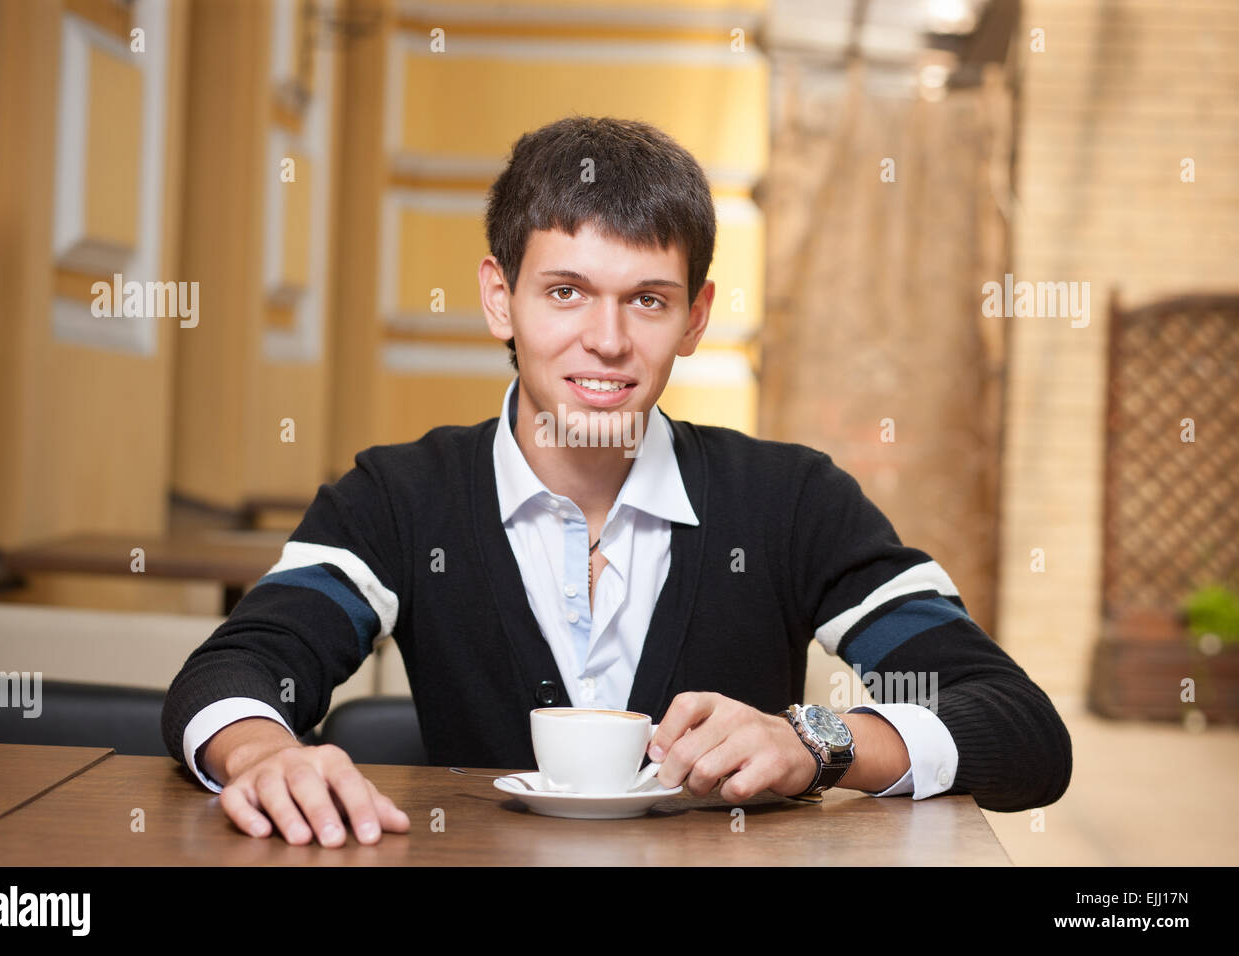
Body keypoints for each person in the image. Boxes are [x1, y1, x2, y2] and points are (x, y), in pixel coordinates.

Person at [161, 115, 1072, 847]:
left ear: (695, 316)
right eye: (565, 291)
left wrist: (816, 743)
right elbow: (234, 674)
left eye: (647, 299)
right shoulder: (399, 496)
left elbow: (1021, 728)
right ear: (497, 298)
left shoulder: (792, 500)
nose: (606, 339)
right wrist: (263, 755)